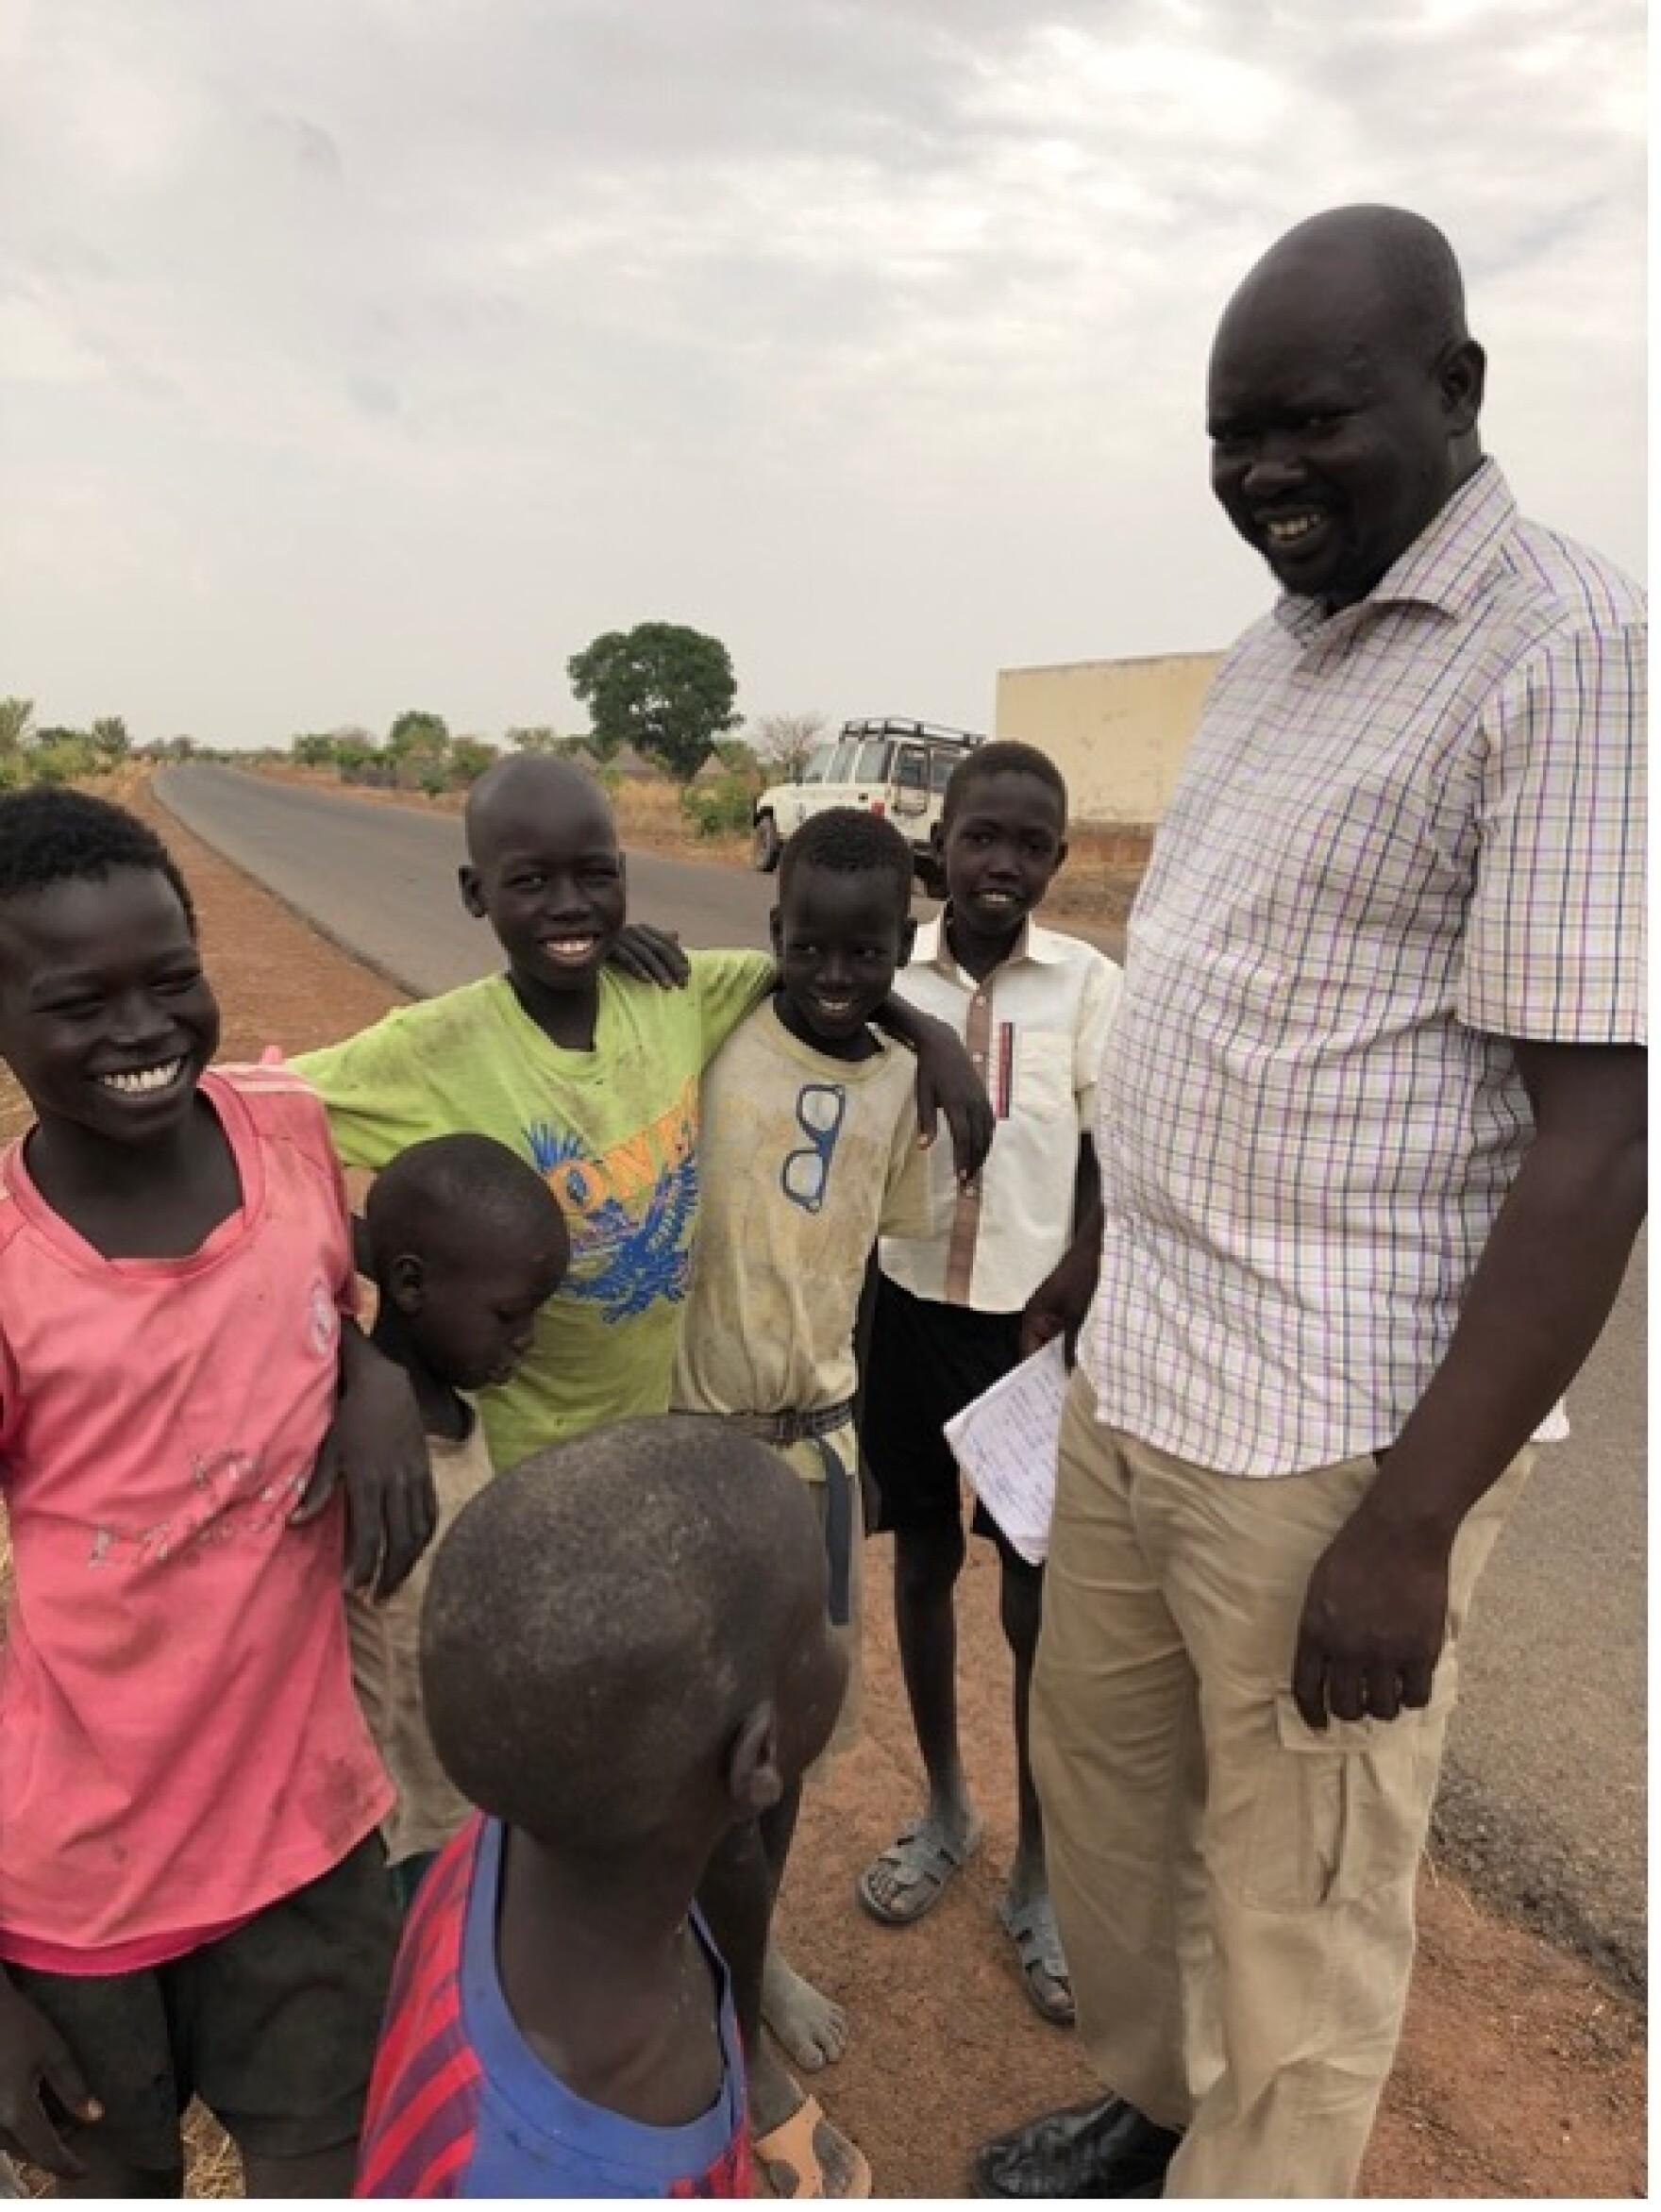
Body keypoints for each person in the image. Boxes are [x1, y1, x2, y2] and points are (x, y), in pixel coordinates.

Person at [974, 205, 1647, 2201]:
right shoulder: (1281, 644)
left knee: (1302, 1908)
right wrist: (1101, 1243)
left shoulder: (1573, 652)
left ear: (1452, 392)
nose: (1260, 475)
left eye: (1307, 423)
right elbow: (1203, 978)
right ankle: (1162, 2103)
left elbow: (1596, 1140)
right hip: (1141, 1369)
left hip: (1332, 1443)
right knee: (1103, 1805)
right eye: (1226, 435)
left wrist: (1410, 1521)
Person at [0, 789, 433, 2197]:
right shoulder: (12, 1276)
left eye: (171, 978)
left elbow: (317, 1298)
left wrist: (368, 1369)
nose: (142, 1030)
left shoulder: (289, 1141)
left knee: (335, 2162)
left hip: (307, 1844)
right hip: (71, 1890)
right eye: (81, 1000)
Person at [293, 753, 991, 1477]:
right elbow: (230, 1124)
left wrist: (926, 1032)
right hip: (509, 1459)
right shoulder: (429, 1049)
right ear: (476, 891)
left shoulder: (675, 995)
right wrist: (374, 1331)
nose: (568, 904)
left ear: (622, 876)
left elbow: (817, 970)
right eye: (532, 881)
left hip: (648, 1450)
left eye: (593, 877)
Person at [353, 1415, 848, 2199]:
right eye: (821, 1622)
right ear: (755, 1759)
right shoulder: (590, 2173)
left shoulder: (507, 1848)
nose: (841, 1644)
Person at [672, 806, 930, 2197]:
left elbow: (870, 1272)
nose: (837, 972)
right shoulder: (717, 1045)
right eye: (811, 946)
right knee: (702, 1736)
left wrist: (870, 1439)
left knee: (797, 1736)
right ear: (770, 938)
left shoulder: (901, 1083)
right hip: (700, 1444)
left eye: (869, 949)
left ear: (904, 944)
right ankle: (692, 1961)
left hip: (821, 1449)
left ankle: (754, 1955)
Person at [853, 742, 1120, 2032]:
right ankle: (945, 1805)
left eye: (1029, 844)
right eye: (981, 839)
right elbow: (794, 974)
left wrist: (1079, 1272)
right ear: (939, 845)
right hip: (901, 1307)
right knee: (917, 1557)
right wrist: (914, 1017)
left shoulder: (1085, 987)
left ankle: (1039, 1871)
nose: (1003, 863)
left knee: (1033, 1598)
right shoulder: (882, 971)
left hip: (1029, 1330)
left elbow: (1115, 1158)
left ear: (1057, 863)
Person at [346, 1134, 569, 1908]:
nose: (527, 1340)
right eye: (510, 1316)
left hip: (461, 1802)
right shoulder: (360, 1459)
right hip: (385, 1832)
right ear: (409, 1284)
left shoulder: (459, 1415)